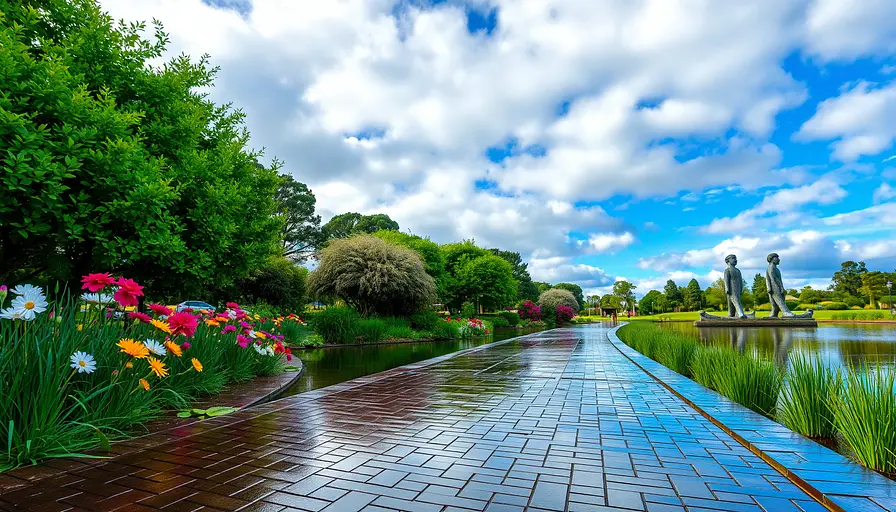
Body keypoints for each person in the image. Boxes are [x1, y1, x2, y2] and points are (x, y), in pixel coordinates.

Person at [723, 254, 747, 318]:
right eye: (733, 258)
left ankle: (731, 314)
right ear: (728, 261)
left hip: (738, 288)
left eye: (735, 258)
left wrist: (741, 288)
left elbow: (740, 280)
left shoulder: (738, 271)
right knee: (735, 300)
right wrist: (727, 288)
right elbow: (726, 280)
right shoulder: (727, 270)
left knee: (733, 302)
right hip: (731, 288)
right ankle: (740, 313)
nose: (735, 260)